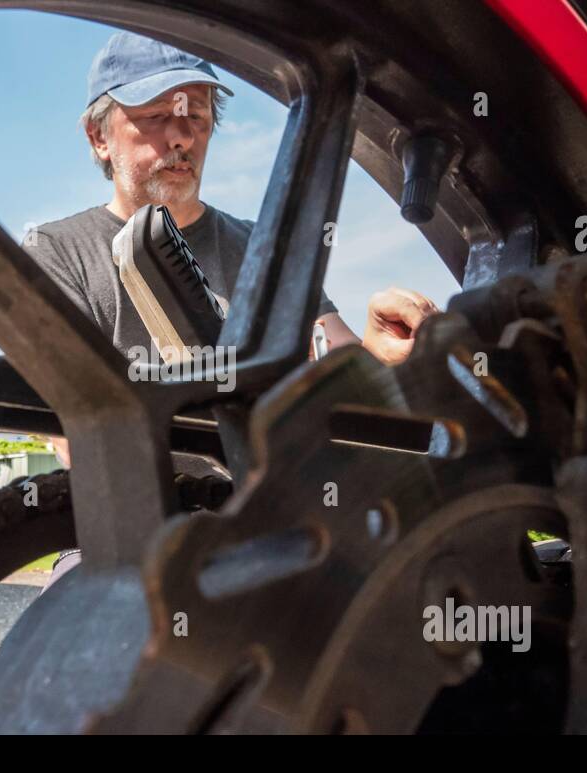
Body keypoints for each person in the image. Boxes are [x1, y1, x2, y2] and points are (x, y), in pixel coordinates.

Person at [25, 33, 439, 583]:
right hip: (126, 542)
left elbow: (335, 366)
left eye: (195, 114)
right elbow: (72, 430)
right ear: (99, 137)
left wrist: (378, 354)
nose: (181, 136)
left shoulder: (267, 247)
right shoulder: (58, 250)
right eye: (154, 116)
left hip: (278, 526)